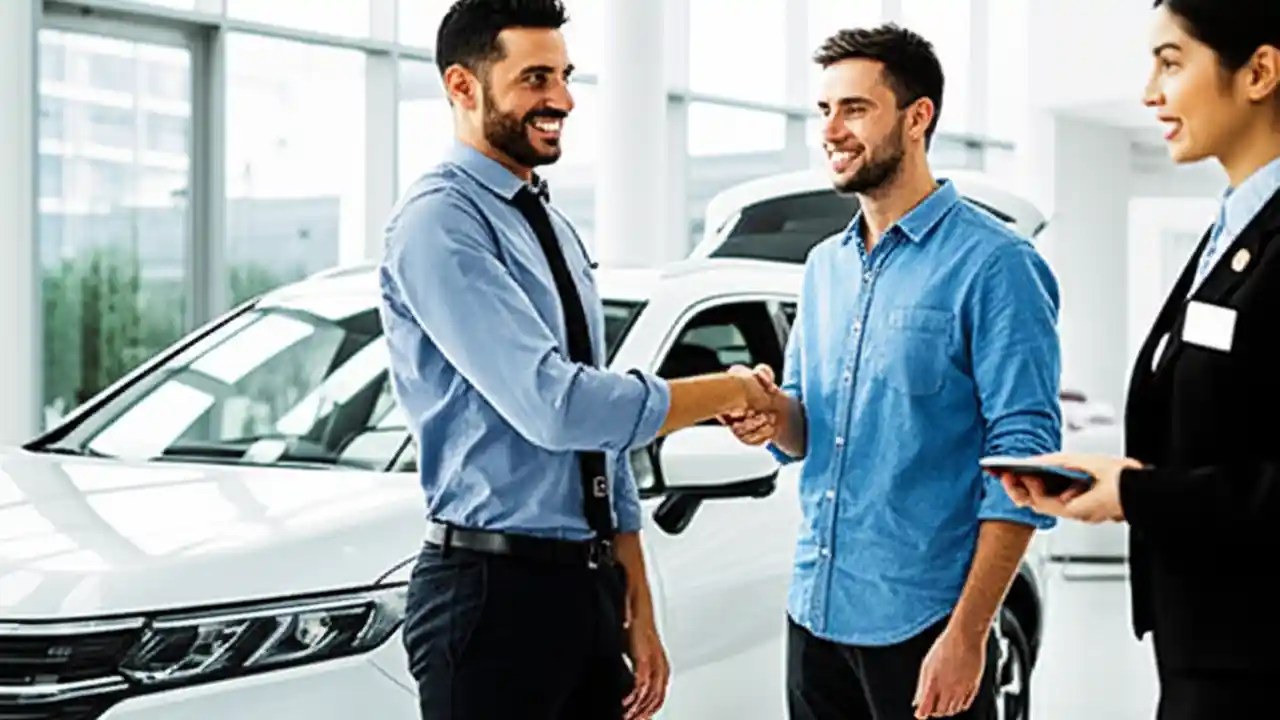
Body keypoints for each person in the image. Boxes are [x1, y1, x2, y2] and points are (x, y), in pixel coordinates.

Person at [377, 1, 775, 718]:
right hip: (490, 595)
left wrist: (636, 602)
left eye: (564, 76)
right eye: (535, 78)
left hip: (583, 589)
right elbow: (558, 407)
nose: (560, 99)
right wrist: (726, 390)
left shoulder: (549, 225)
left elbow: (601, 438)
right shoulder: (440, 223)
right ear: (463, 87)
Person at [721, 23, 1062, 720]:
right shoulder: (823, 268)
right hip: (815, 613)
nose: (832, 130)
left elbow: (1026, 462)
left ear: (917, 118)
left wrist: (969, 634)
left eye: (854, 109)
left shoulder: (996, 265)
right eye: (824, 111)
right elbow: (807, 430)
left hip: (925, 624)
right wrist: (769, 414)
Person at [996, 1, 1280, 717]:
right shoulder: (1232, 229)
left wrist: (1134, 493)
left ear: (1260, 72)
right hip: (1210, 648)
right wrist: (1124, 487)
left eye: (1171, 61)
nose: (1150, 91)